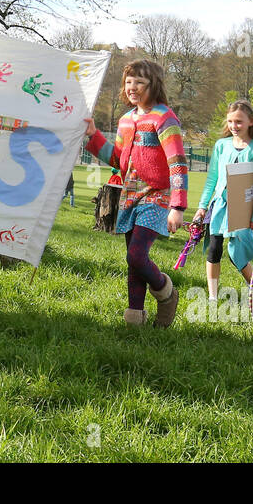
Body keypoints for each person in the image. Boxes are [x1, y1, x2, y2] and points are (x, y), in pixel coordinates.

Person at [83, 60, 188, 328]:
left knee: (136, 256)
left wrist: (177, 207)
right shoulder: (126, 120)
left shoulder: (165, 118)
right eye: (129, 81)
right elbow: (118, 159)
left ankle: (166, 293)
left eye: (140, 82)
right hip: (129, 196)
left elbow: (177, 163)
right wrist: (94, 136)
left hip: (157, 196)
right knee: (133, 260)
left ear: (154, 85)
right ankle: (135, 320)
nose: (133, 87)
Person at [193, 100, 253, 315]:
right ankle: (213, 296)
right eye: (230, 121)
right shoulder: (221, 145)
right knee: (214, 249)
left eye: (239, 121)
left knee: (235, 252)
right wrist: (202, 206)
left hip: (242, 207)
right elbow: (213, 178)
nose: (234, 125)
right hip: (219, 205)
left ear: (250, 122)